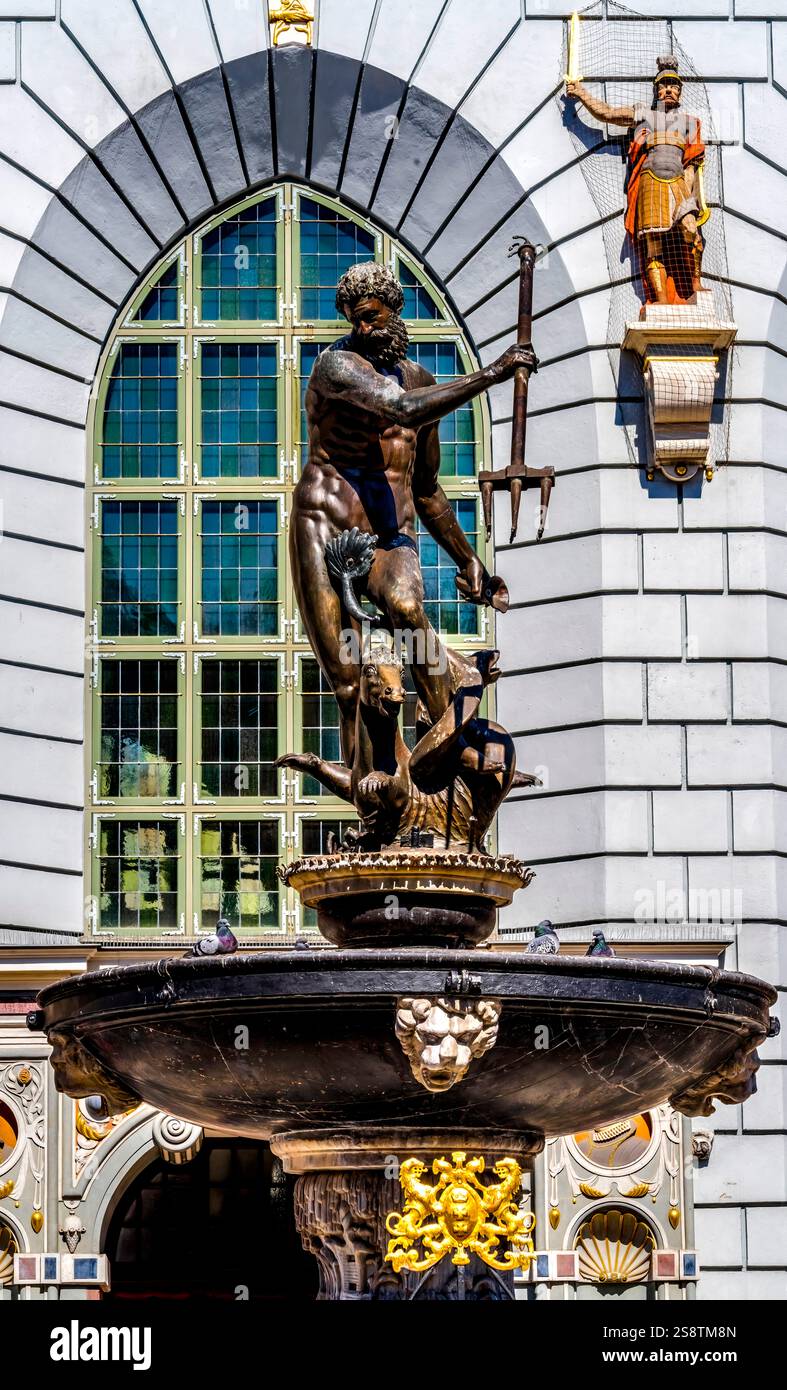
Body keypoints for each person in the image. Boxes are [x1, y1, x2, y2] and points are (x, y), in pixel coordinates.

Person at [290, 260, 535, 765]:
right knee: (349, 679)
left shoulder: (420, 381)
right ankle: (376, 803)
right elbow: (400, 409)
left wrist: (468, 559)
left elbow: (425, 488)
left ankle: (450, 736)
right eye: (354, 319)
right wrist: (493, 373)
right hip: (326, 526)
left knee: (405, 609)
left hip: (386, 533)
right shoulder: (336, 367)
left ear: (394, 310)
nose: (362, 328)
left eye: (371, 316)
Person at [567, 54, 706, 305]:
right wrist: (581, 93)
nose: (668, 90)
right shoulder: (643, 114)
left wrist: (692, 199)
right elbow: (607, 114)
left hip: (678, 182)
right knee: (654, 243)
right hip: (649, 181)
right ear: (656, 90)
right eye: (663, 85)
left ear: (680, 92)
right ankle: (661, 299)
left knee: (691, 232)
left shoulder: (690, 124)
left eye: (674, 86)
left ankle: (696, 284)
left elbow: (693, 166)